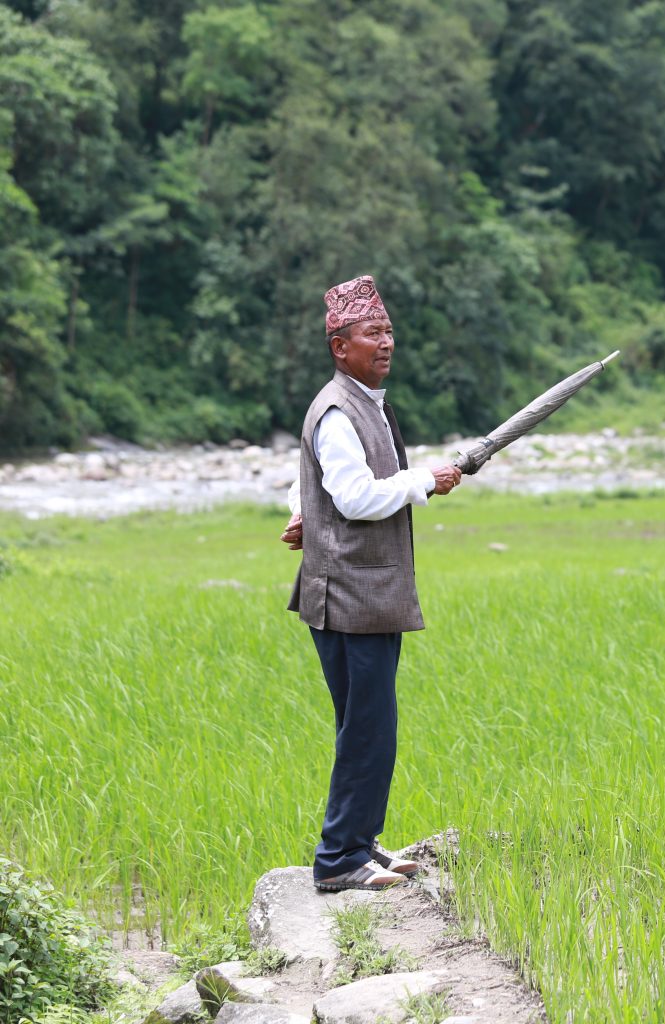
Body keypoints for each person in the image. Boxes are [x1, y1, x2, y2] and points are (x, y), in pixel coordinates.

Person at [279, 274, 462, 892]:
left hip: (360, 593)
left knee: (364, 726)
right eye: (371, 333)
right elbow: (356, 497)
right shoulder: (338, 409)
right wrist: (425, 482)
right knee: (370, 729)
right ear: (340, 345)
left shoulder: (363, 404)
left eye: (388, 331)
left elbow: (317, 477)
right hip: (352, 598)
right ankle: (338, 861)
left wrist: (306, 510)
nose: (385, 343)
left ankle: (360, 842)